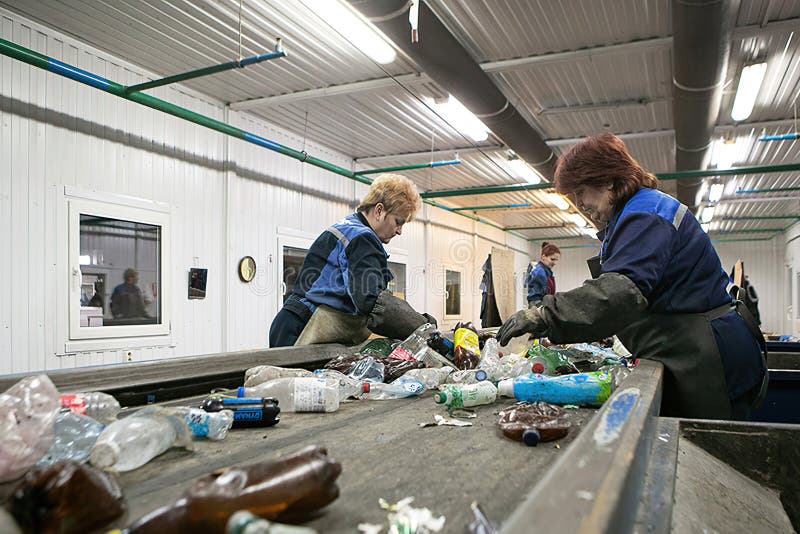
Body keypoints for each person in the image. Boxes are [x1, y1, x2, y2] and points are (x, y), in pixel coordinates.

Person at [497, 133, 767, 420]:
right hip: (694, 346)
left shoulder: (647, 214)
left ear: (608, 180)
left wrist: (545, 316)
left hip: (710, 357)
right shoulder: (634, 214)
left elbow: (619, 293)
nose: (579, 204)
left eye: (581, 192)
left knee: (712, 452)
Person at [269, 174, 437, 347]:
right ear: (379, 210)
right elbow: (374, 302)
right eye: (398, 222)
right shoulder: (362, 238)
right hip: (303, 328)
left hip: (292, 322)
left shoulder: (348, 228)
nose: (399, 231)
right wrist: (423, 326)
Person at [525, 242, 560, 307]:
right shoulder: (539, 271)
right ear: (543, 256)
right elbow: (546, 291)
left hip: (544, 301)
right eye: (552, 259)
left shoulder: (548, 271)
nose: (555, 263)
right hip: (537, 302)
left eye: (556, 260)